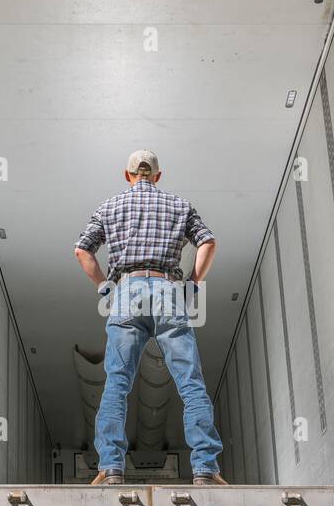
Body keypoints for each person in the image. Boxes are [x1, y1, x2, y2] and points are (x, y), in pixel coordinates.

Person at [73, 149, 226, 486]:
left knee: (117, 383)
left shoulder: (109, 207)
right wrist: (193, 284)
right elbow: (208, 243)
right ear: (158, 175)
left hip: (126, 292)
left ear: (127, 175)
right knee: (190, 383)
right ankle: (205, 470)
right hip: (168, 290)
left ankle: (111, 468)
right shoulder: (179, 206)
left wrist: (105, 288)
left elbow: (82, 250)